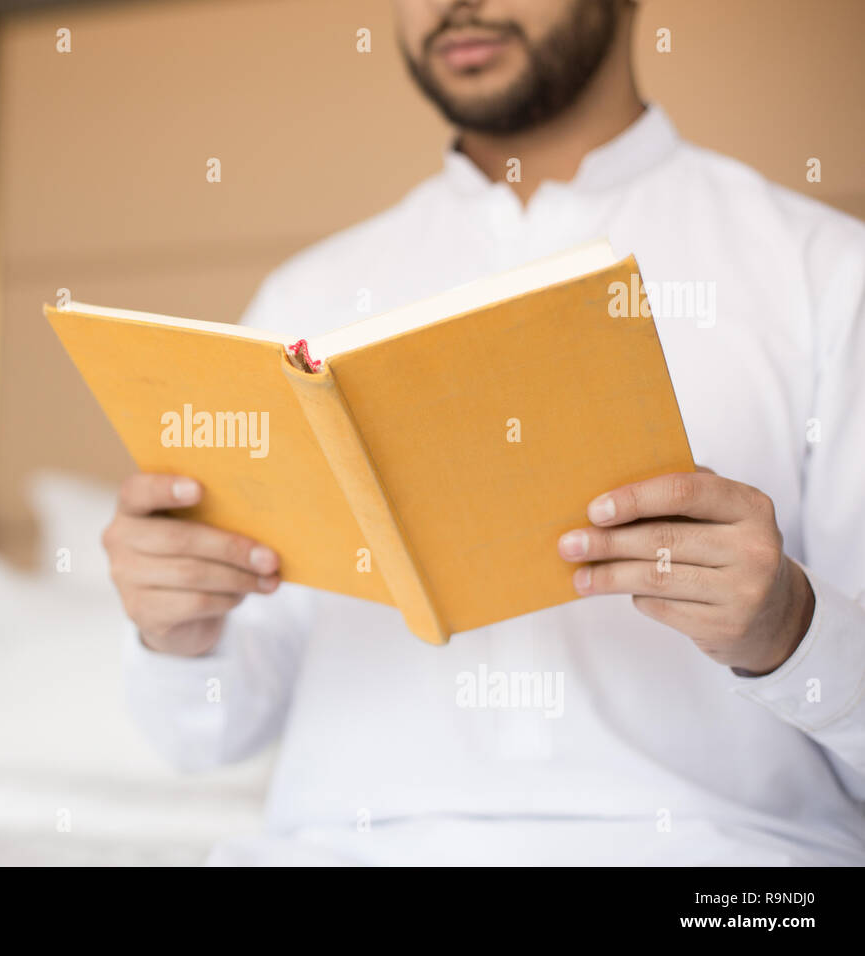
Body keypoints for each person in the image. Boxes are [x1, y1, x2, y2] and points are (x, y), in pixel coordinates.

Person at [101, 0, 865, 864]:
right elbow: (200, 741)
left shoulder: (825, 277)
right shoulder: (301, 304)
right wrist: (175, 633)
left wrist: (791, 631)